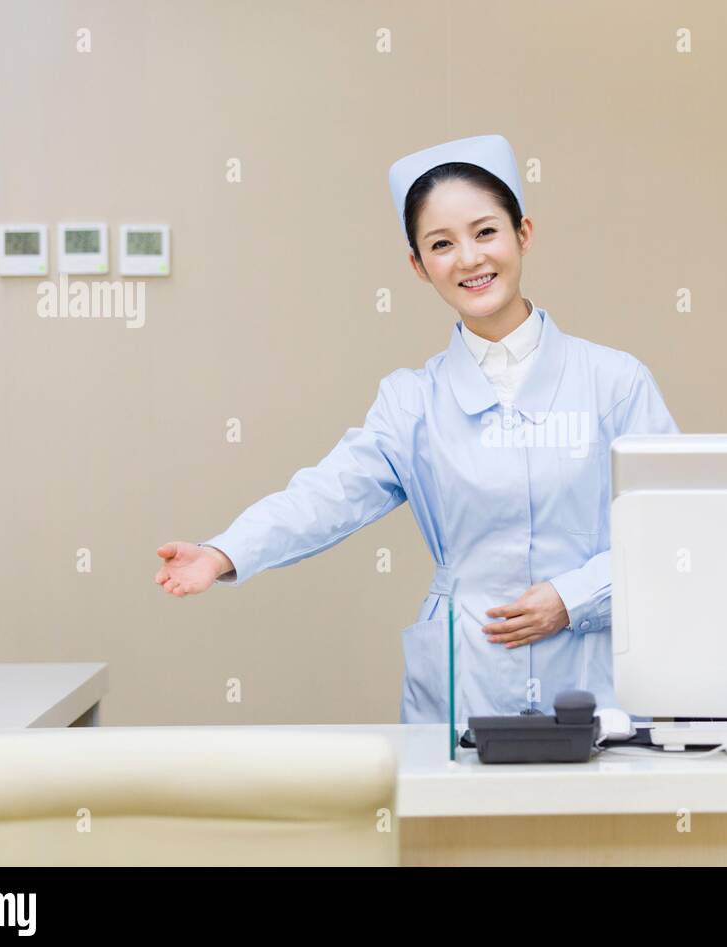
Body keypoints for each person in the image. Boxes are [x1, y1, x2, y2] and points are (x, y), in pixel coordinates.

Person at [154, 134, 679, 722]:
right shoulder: (412, 402)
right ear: (418, 265)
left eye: (486, 232)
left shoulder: (615, 383)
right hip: (465, 679)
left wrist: (574, 598)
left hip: (595, 677)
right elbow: (327, 496)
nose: (470, 259)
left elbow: (673, 529)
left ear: (522, 234)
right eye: (441, 244)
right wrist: (224, 552)